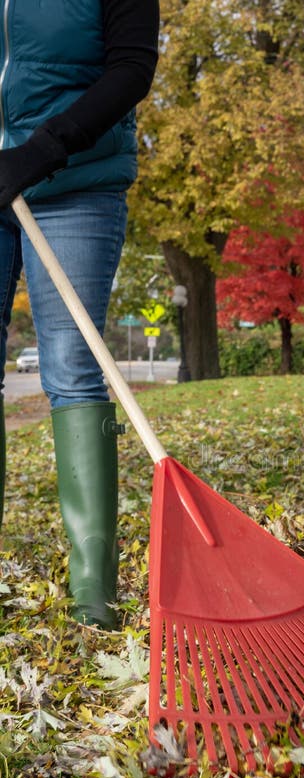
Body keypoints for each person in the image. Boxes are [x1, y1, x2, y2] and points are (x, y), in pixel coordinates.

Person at [0, 0, 160, 629]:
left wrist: (42, 149)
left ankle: (94, 594)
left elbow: (131, 68)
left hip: (73, 180)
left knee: (71, 365)